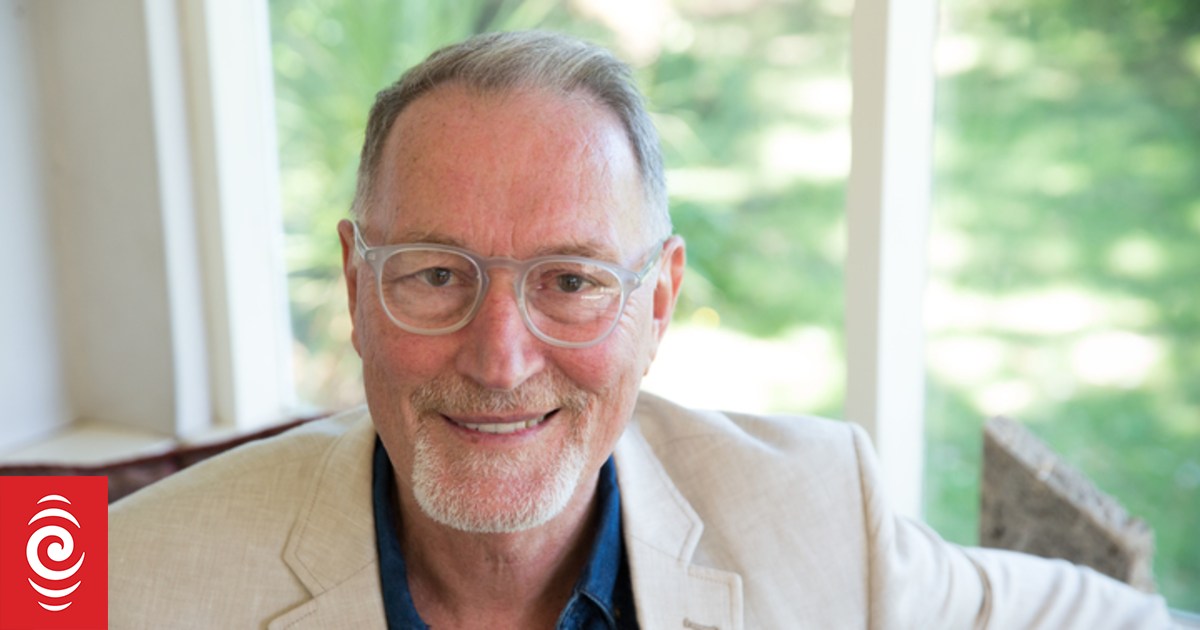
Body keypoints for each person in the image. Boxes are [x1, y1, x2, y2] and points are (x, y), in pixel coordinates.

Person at [109, 31, 1173, 629]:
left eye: (571, 281)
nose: (500, 359)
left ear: (658, 302)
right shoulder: (122, 565)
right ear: (355, 286)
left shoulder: (820, 513)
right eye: (435, 275)